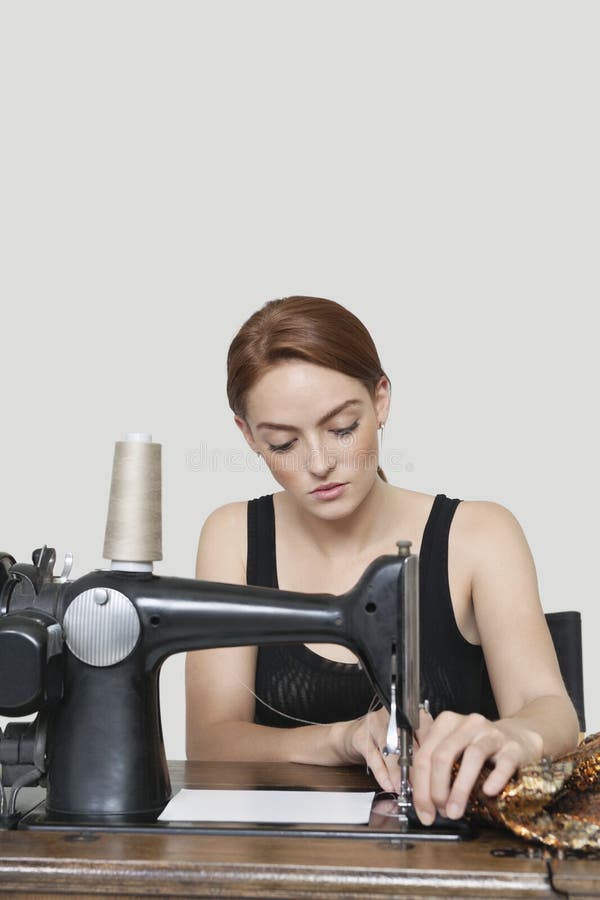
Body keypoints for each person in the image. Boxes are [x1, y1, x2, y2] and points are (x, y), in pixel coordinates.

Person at [185, 295, 579, 826]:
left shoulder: (480, 534)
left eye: (342, 429)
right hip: (283, 860)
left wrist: (511, 734)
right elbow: (210, 742)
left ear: (382, 400)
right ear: (248, 435)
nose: (320, 463)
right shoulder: (234, 536)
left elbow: (550, 707)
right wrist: (342, 738)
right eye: (283, 443)